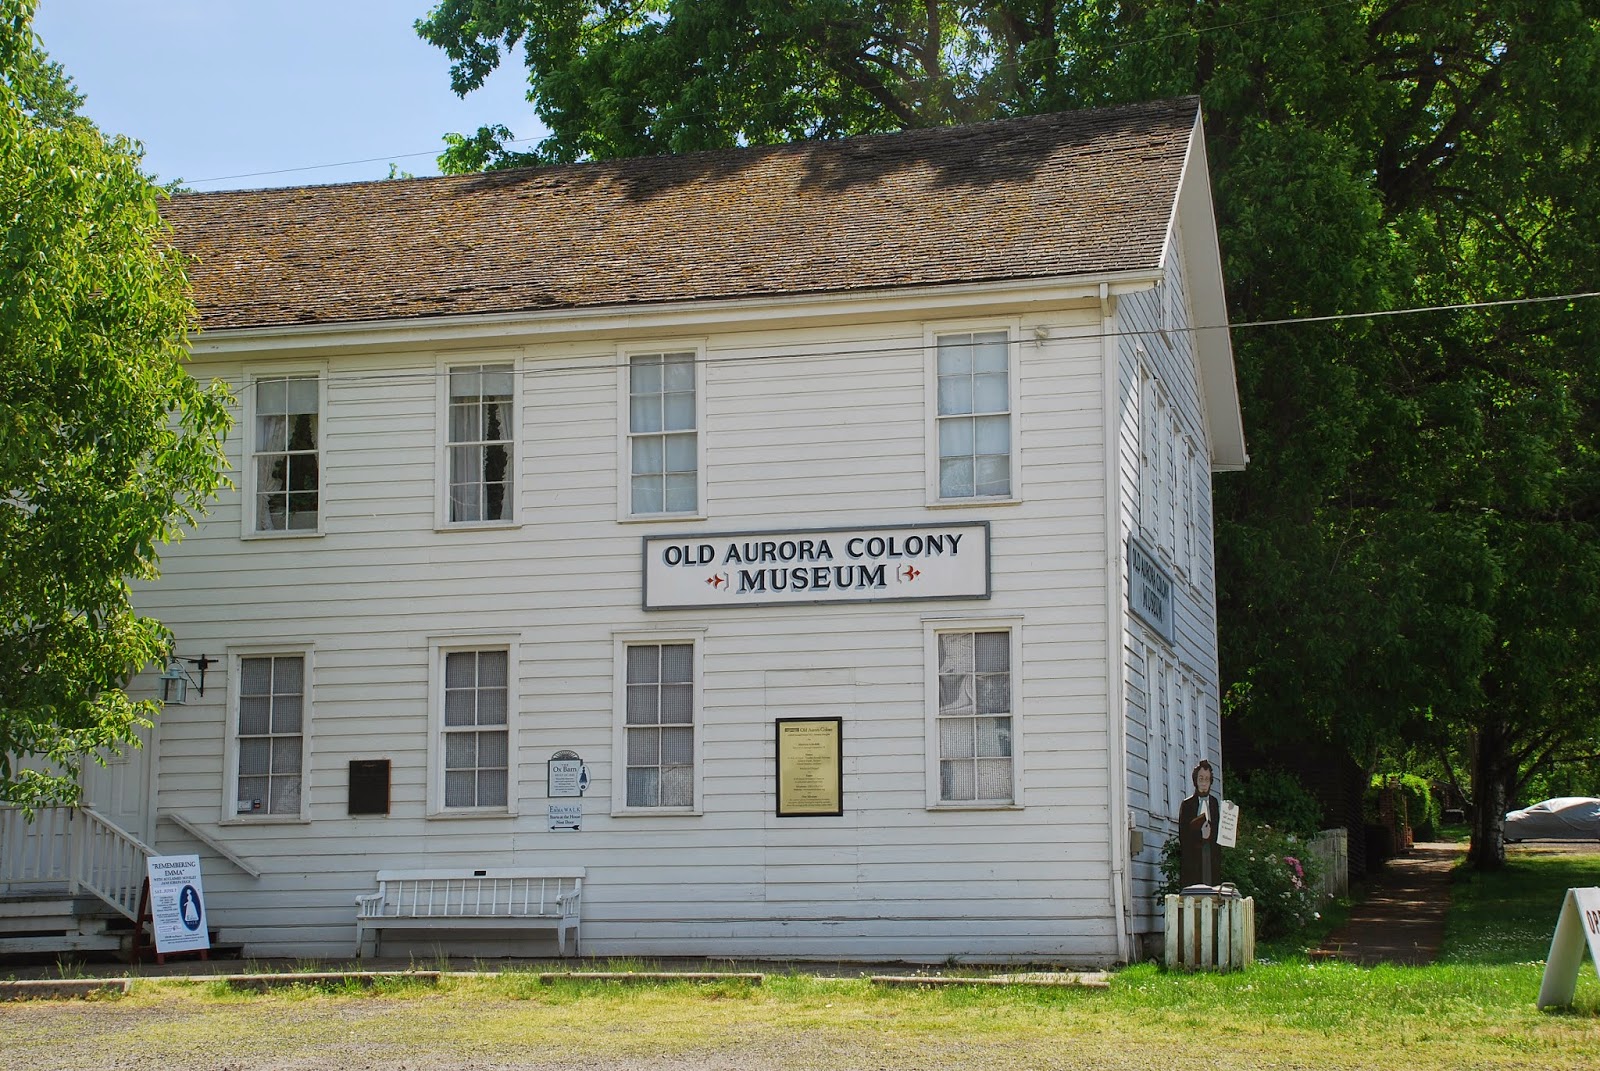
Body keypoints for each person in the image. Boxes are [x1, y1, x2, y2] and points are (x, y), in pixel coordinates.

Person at [1178, 760, 1223, 887]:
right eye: (1201, 779)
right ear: (1195, 780)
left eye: (1207, 779)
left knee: (1211, 884)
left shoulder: (1214, 803)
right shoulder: (1187, 805)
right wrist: (1200, 835)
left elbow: (1219, 828)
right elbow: (1184, 834)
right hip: (1193, 856)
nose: (1204, 783)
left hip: (1211, 854)